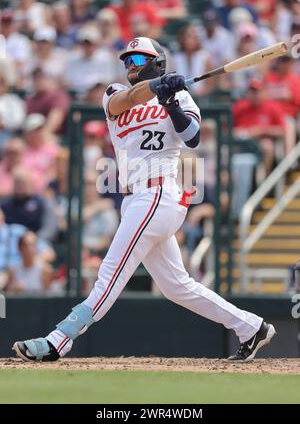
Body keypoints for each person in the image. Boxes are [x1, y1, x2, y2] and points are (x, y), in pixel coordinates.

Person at [13, 36, 275, 363]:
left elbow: (192, 138)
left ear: (156, 62)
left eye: (137, 60)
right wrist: (158, 86)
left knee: (109, 275)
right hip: (136, 199)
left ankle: (57, 340)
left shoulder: (179, 95)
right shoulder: (114, 93)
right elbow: (126, 99)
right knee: (177, 286)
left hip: (158, 193)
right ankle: (251, 327)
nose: (130, 66)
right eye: (127, 61)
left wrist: (171, 102)